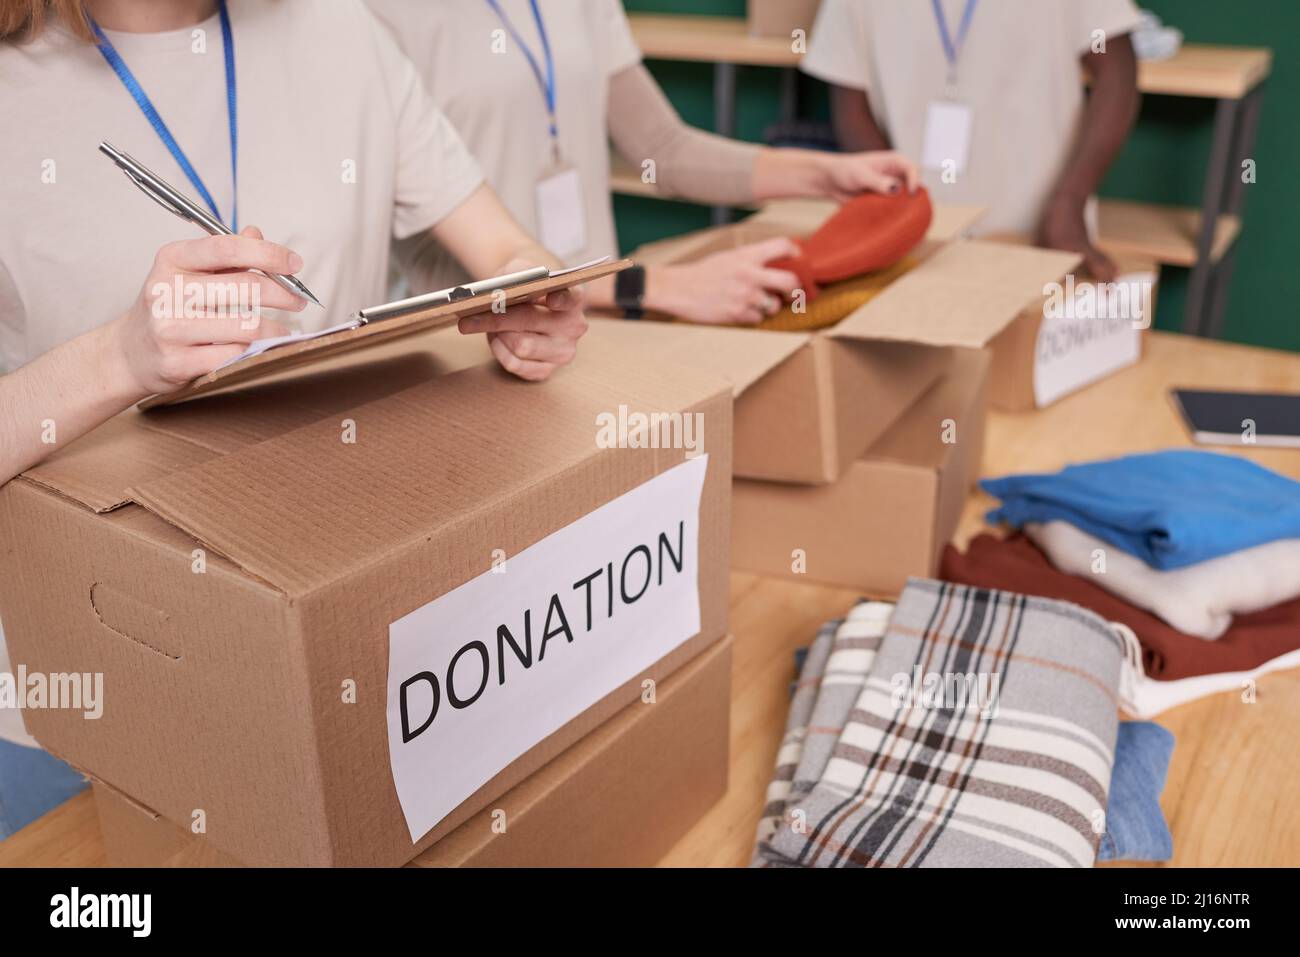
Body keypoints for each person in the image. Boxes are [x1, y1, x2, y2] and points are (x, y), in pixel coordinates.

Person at [0, 0, 588, 838]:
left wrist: (533, 294)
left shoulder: (340, 30)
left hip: (340, 644)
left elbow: (504, 249)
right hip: (81, 687)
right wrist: (121, 358)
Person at [366, 0, 920, 327]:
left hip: (597, 324)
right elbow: (421, 255)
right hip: (479, 338)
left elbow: (662, 147)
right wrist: (653, 288)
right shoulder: (372, 14)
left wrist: (825, 175)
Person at [804, 0, 1142, 280]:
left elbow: (1118, 71)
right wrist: (895, 210)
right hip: (915, 242)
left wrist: (1069, 202)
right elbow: (851, 106)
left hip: (1040, 236)